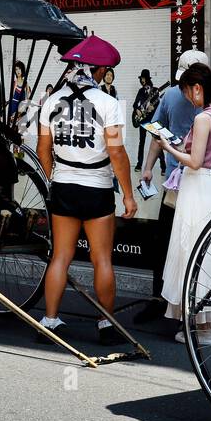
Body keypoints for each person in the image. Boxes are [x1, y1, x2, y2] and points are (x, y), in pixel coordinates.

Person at [37, 34, 137, 346]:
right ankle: (107, 325)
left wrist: (52, 175)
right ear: (95, 72)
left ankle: (49, 320)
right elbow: (117, 154)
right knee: (102, 259)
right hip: (97, 189)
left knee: (61, 257)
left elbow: (43, 149)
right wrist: (129, 195)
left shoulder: (51, 102)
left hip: (64, 187)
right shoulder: (108, 104)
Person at [137, 49, 211, 322]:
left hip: (189, 182)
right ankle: (191, 309)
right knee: (201, 248)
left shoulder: (203, 112)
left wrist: (164, 154)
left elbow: (172, 146)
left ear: (196, 85)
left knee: (181, 246)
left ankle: (185, 309)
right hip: (208, 186)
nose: (183, 93)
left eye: (186, 87)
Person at [155, 63, 211, 344]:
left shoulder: (203, 119)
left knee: (191, 250)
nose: (188, 98)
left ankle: (200, 328)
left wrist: (170, 148)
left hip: (196, 186)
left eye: (188, 92)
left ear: (197, 88)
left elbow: (195, 161)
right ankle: (209, 326)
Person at [130, 69, 158, 170]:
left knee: (157, 141)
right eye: (141, 79)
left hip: (151, 120)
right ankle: (139, 164)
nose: (142, 80)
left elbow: (157, 104)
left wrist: (152, 107)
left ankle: (163, 166)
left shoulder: (155, 90)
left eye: (143, 78)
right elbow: (135, 104)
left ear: (147, 79)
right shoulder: (140, 91)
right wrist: (137, 110)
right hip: (142, 120)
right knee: (141, 142)